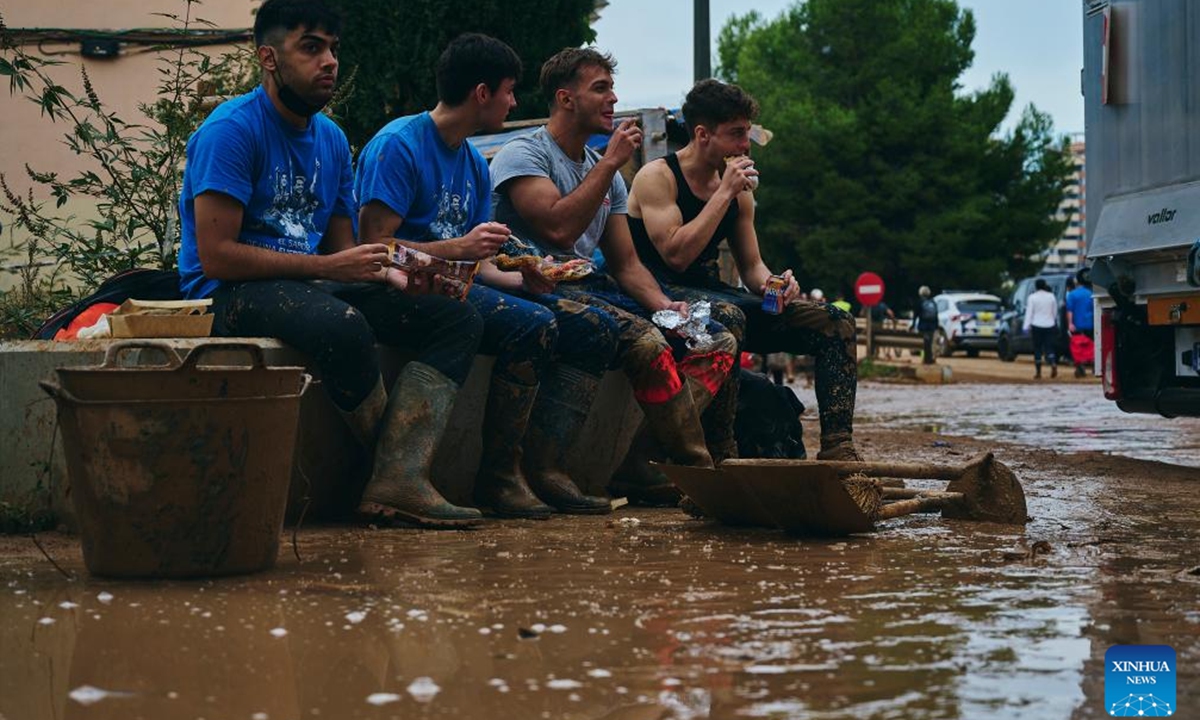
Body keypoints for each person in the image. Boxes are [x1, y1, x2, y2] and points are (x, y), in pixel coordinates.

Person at [178, 0, 488, 529]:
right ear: (269, 58)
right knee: (342, 325)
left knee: (457, 317)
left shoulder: (331, 140)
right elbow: (217, 256)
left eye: (334, 50)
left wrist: (396, 276)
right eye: (311, 47)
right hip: (228, 294)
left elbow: (348, 254)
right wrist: (334, 268)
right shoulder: (231, 129)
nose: (329, 62)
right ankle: (387, 473)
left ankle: (399, 476)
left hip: (309, 285)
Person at [355, 34, 621, 518]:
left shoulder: (475, 164)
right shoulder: (399, 144)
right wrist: (456, 250)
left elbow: (480, 264)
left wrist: (526, 279)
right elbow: (374, 249)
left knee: (589, 325)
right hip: (393, 287)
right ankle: (488, 476)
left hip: (455, 283)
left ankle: (534, 472)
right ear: (482, 93)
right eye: (509, 91)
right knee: (530, 326)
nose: (515, 102)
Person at [490, 47, 741, 506]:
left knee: (716, 341)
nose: (613, 99)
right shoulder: (523, 153)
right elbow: (559, 229)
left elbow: (626, 265)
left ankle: (643, 467)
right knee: (647, 344)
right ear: (566, 99)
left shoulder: (605, 171)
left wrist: (664, 306)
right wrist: (608, 164)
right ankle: (698, 469)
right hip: (538, 286)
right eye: (600, 89)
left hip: (593, 288)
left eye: (612, 88)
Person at [626, 78, 861, 461]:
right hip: (661, 297)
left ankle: (839, 449)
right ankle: (722, 450)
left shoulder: (738, 190)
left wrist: (776, 285)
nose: (745, 146)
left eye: (747, 133)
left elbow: (751, 267)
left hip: (713, 294)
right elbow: (675, 256)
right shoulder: (658, 177)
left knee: (835, 323)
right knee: (729, 317)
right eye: (736, 134)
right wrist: (723, 194)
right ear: (702, 134)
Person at [1024, 278, 1059, 378]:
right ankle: (1053, 363)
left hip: (1037, 325)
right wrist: (1054, 322)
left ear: (1036, 286)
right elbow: (1054, 312)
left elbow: (1029, 313)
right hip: (1049, 325)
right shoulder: (1051, 296)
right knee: (1049, 347)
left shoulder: (1032, 297)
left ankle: (1038, 372)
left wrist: (1026, 326)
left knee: (1037, 348)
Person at [1065, 268, 1094, 378]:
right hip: (1090, 324)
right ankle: (1093, 365)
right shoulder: (1091, 294)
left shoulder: (1072, 295)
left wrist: (1070, 324)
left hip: (1077, 325)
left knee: (1077, 347)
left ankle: (1080, 366)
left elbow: (1070, 311)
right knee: (1091, 345)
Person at [916, 286, 938, 365]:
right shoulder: (933, 302)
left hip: (923, 325)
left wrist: (913, 324)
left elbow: (916, 314)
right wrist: (936, 326)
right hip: (932, 326)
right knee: (930, 342)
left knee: (924, 342)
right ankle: (929, 358)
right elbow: (936, 315)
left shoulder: (920, 302)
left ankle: (924, 358)